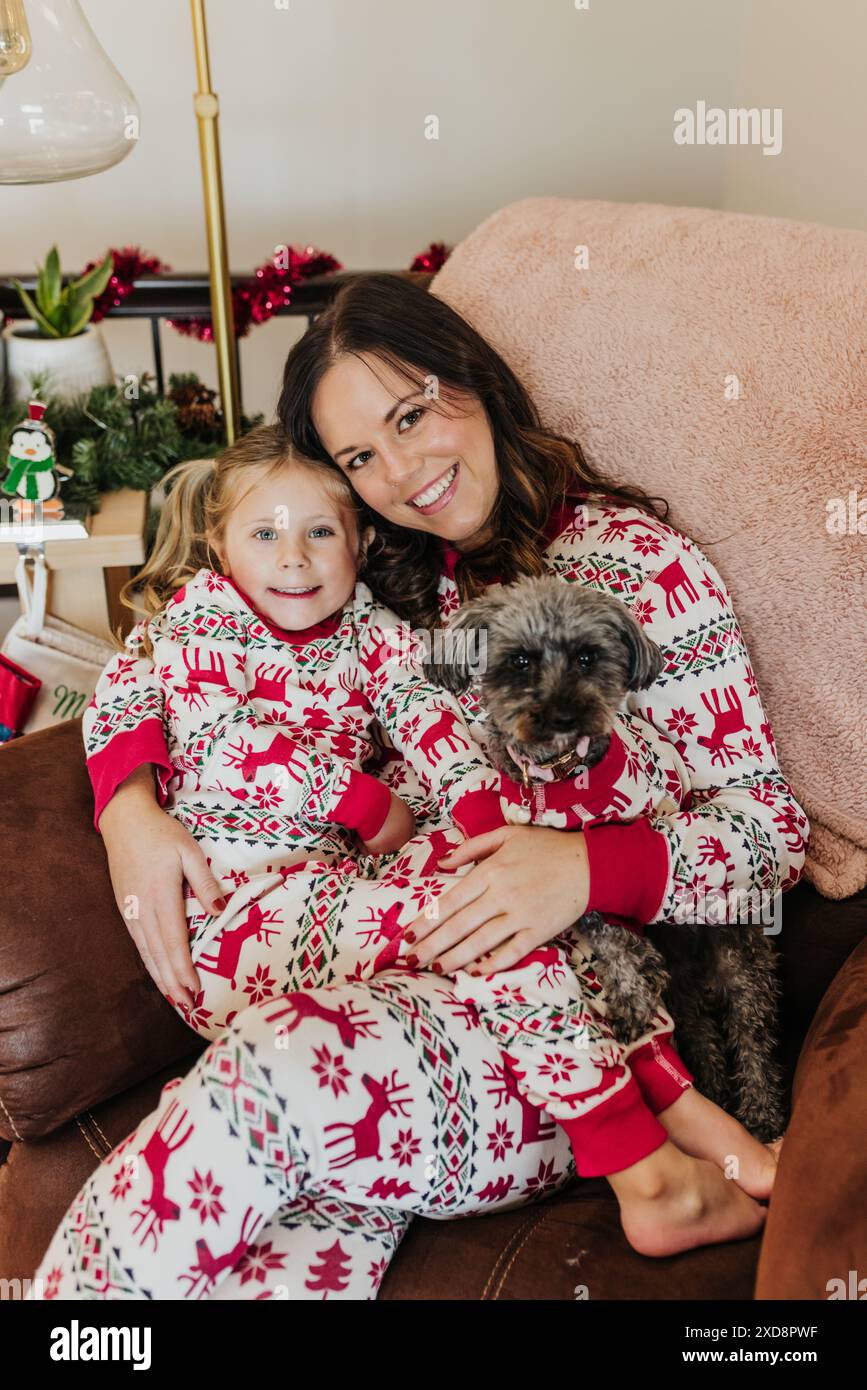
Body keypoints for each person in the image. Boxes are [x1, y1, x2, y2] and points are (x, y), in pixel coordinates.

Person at [33, 275, 807, 1300]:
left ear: (476, 382)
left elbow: (772, 844)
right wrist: (128, 805)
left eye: (411, 415)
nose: (401, 472)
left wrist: (581, 870)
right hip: (368, 957)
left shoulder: (642, 567)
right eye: (360, 457)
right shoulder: (373, 570)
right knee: (289, 1235)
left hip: (573, 1034)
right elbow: (160, 652)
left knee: (273, 1075)